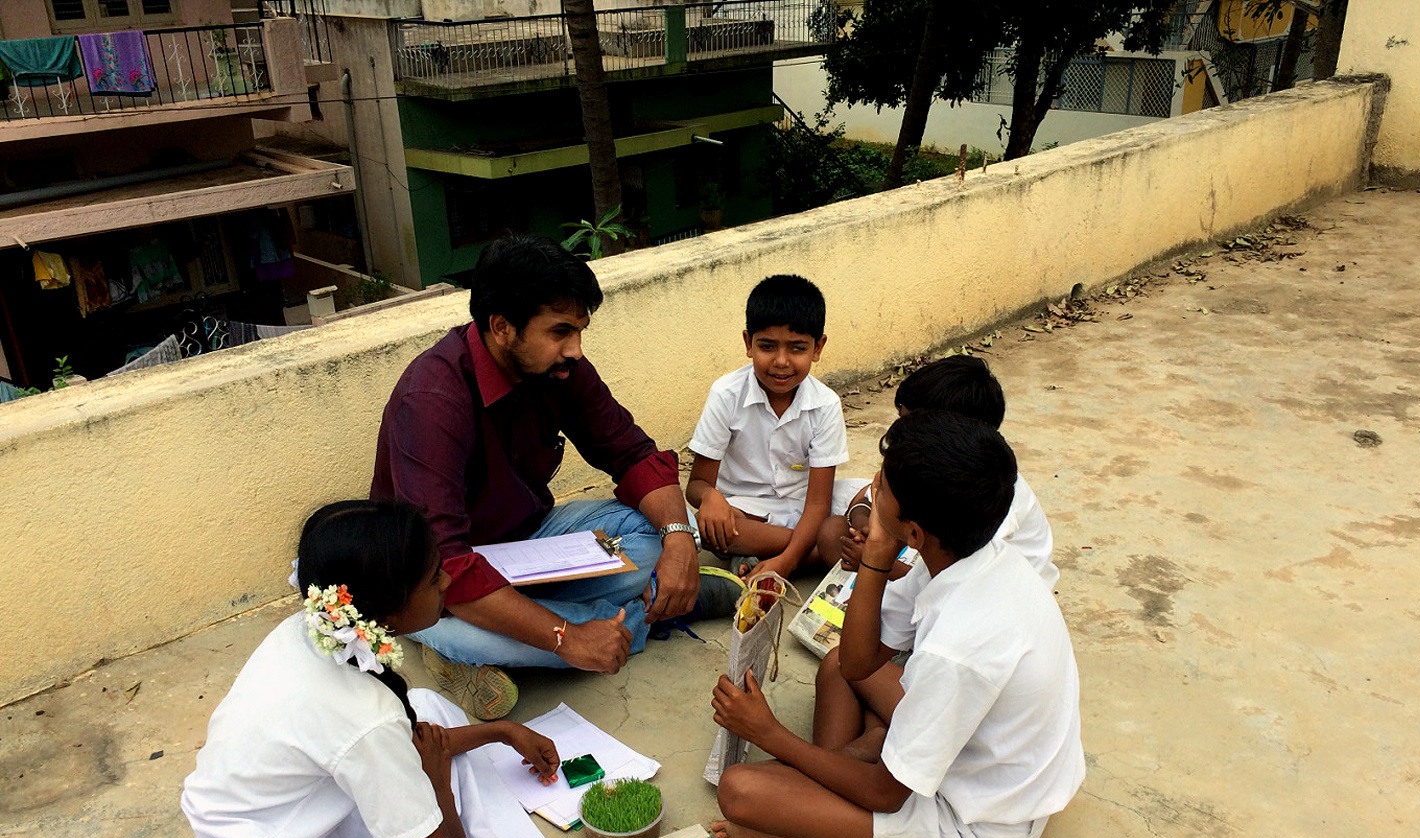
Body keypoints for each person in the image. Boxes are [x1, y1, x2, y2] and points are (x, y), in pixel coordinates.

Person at [181, 501, 578, 838]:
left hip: (296, 816)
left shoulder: (314, 629)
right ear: (389, 612)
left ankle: (419, 815)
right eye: (435, 581)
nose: (448, 585)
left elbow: (406, 738)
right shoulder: (367, 720)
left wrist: (500, 731)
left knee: (428, 707)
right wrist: (435, 782)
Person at [708, 412, 1085, 838]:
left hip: (978, 820)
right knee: (834, 665)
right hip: (968, 748)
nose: (869, 489)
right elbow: (858, 663)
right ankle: (851, 771)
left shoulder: (958, 647)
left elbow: (886, 796)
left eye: (881, 487)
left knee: (741, 790)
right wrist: (877, 557)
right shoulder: (967, 552)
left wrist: (770, 734)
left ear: (916, 532)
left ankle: (816, 825)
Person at [372, 235, 729, 720]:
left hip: (529, 543)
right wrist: (568, 638)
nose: (575, 350)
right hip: (431, 580)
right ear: (502, 327)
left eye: (579, 330)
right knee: (453, 625)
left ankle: (510, 639)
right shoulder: (433, 400)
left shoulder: (559, 369)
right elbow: (448, 566)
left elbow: (633, 454)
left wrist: (681, 542)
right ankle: (644, 615)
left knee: (662, 524)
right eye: (560, 331)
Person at [816, 354, 1058, 591]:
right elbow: (867, 494)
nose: (899, 438)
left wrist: (877, 563)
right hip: (922, 547)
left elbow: (957, 583)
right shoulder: (933, 469)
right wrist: (864, 524)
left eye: (908, 429)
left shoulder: (989, 502)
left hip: (982, 591)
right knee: (832, 532)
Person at [686, 274, 862, 580]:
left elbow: (818, 503)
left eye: (797, 348)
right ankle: (824, 551)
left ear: (817, 348)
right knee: (713, 526)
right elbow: (697, 485)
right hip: (747, 510)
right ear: (748, 343)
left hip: (808, 506)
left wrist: (785, 563)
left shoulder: (825, 404)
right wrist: (711, 498)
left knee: (872, 495)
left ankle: (773, 556)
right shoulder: (726, 394)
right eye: (768, 346)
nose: (781, 361)